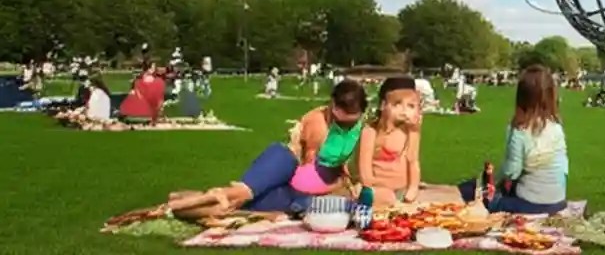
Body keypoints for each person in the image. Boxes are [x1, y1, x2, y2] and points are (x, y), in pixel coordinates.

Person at [166, 80, 369, 218]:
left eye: (352, 121)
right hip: (288, 168)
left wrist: (346, 182)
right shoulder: (317, 122)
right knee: (248, 189)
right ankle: (185, 203)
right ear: (333, 105)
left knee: (236, 206)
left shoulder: (361, 129)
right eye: (343, 120)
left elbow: (347, 167)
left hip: (298, 192)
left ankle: (180, 202)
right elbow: (305, 163)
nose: (346, 126)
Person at [458, 65, 569, 215]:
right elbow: (563, 168)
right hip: (558, 202)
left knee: (473, 190)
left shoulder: (520, 129)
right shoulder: (556, 127)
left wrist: (493, 179)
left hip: (530, 204)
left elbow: (512, 172)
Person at [354, 76, 423, 207]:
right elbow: (364, 170)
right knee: (365, 192)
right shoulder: (370, 132)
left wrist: (412, 189)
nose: (404, 111)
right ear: (383, 105)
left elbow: (413, 162)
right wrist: (371, 186)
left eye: (410, 106)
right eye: (397, 104)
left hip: (400, 190)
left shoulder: (411, 133)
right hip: (375, 188)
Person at [119, 60, 167, 125]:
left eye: (154, 68)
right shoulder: (145, 78)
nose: (154, 69)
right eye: (152, 68)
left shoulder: (151, 78)